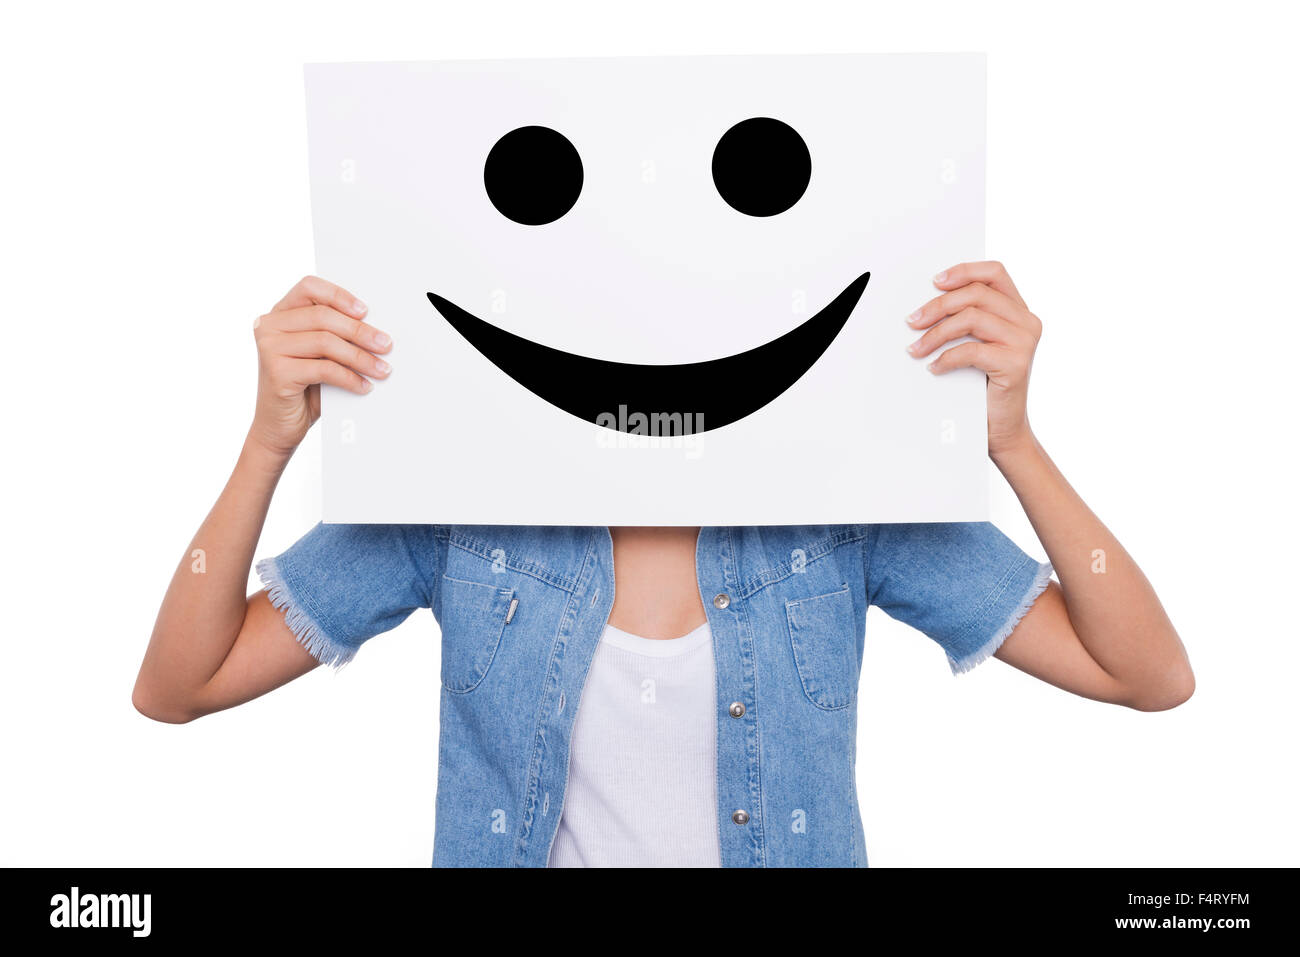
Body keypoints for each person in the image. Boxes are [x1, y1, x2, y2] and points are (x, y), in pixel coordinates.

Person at [133, 261, 1193, 867]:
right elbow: (180, 684)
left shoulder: (841, 500)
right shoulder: (462, 500)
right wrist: (267, 443)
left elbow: (1145, 675)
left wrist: (1010, 443)